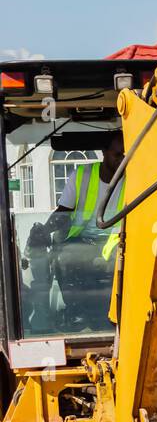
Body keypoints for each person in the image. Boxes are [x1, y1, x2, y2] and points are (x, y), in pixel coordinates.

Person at [24, 132, 124, 331]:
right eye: (117, 154)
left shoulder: (134, 178)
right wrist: (44, 230)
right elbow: (63, 212)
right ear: (104, 152)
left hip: (117, 239)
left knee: (116, 262)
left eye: (126, 156)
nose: (122, 160)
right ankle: (76, 312)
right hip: (82, 239)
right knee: (66, 257)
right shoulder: (82, 175)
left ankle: (113, 315)